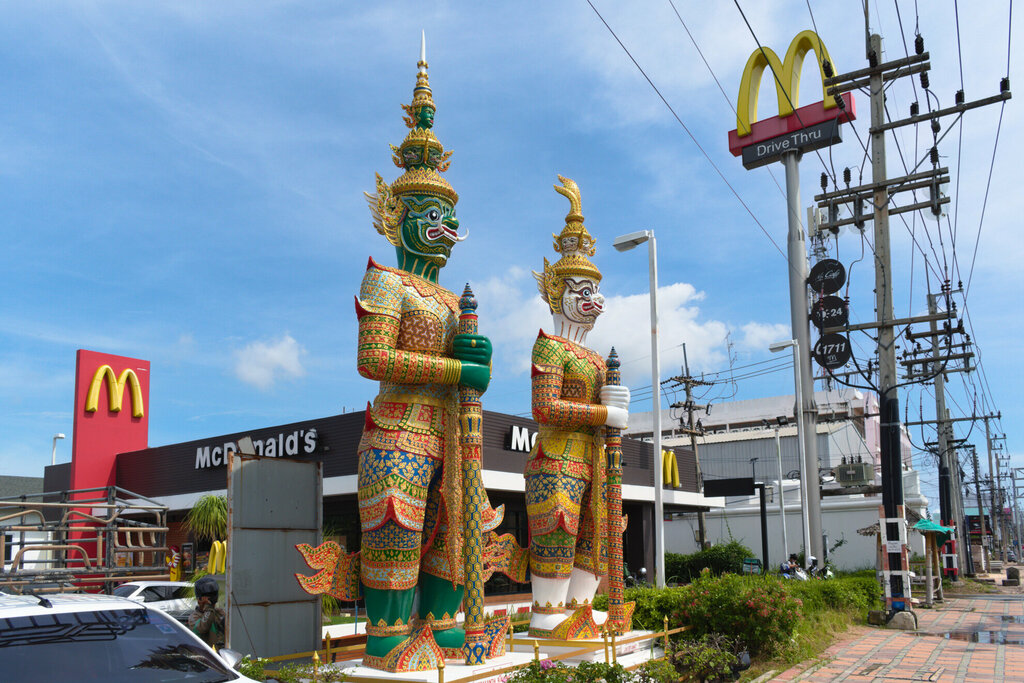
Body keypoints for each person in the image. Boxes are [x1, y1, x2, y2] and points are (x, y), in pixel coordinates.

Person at [354, 43, 499, 672]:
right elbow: (373, 357)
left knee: (455, 537)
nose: (444, 224)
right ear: (398, 215)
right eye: (430, 212)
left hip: (451, 435)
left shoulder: (449, 298)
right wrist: (456, 370)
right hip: (398, 432)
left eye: (449, 214)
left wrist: (479, 363)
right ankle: (389, 639)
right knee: (397, 535)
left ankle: (443, 631)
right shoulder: (386, 282)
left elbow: (471, 375)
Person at [524, 176, 630, 639]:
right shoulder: (549, 348)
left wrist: (614, 408)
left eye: (595, 291)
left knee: (597, 532)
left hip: (594, 460)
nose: (593, 300)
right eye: (581, 291)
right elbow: (545, 408)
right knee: (558, 525)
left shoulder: (591, 356)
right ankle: (548, 611)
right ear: (556, 292)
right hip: (557, 457)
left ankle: (583, 607)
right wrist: (605, 415)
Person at [188, 576, 225, 648]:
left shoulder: (219, 613)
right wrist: (208, 607)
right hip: (207, 655)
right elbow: (203, 628)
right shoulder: (193, 617)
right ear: (199, 600)